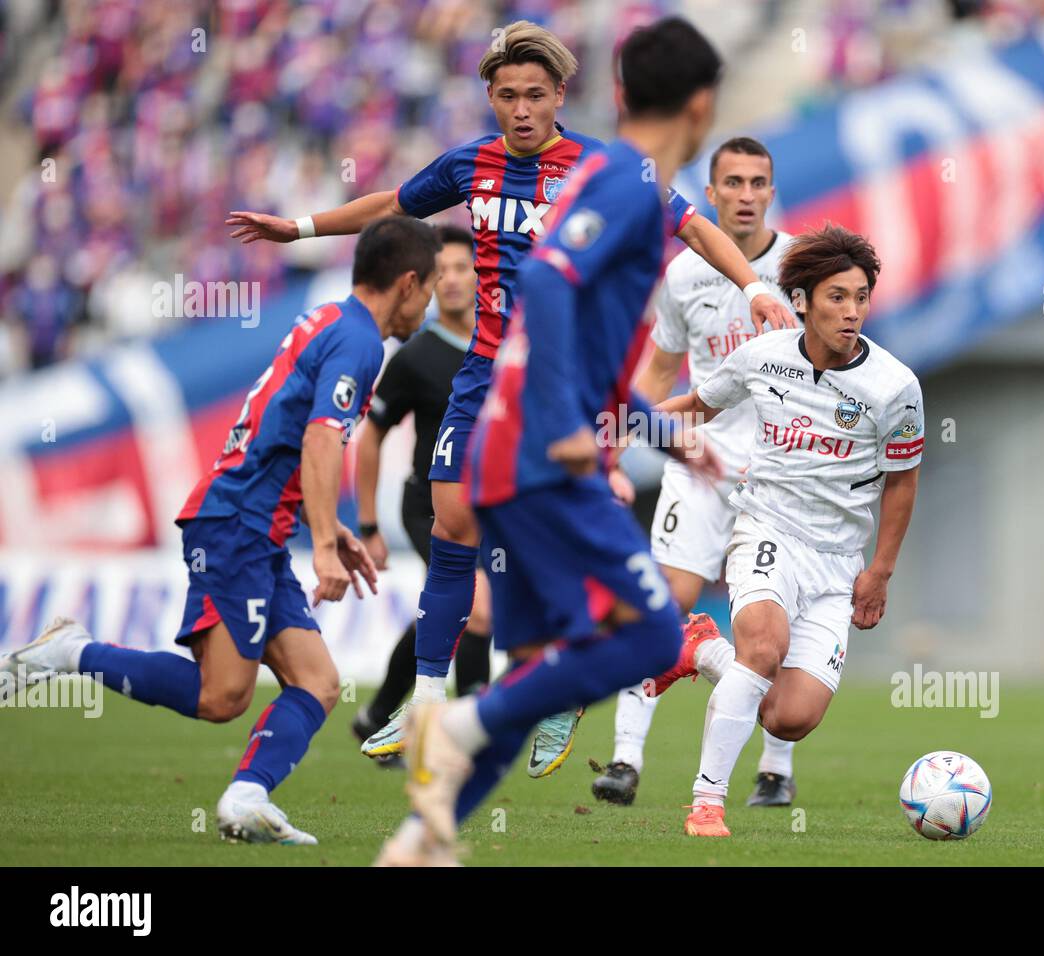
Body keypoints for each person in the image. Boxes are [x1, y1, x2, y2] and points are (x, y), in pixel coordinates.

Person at [226, 20, 794, 776]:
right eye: (505, 96)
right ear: (490, 99)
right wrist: (297, 229)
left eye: (534, 94)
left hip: (560, 377)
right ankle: (429, 701)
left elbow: (691, 227)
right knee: (452, 518)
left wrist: (754, 286)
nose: (520, 109)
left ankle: (560, 684)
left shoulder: (601, 169)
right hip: (484, 372)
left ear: (561, 95)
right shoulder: (473, 165)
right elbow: (395, 203)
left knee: (554, 534)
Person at [376, 16, 733, 867]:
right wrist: (579, 430)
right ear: (703, 103)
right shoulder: (625, 180)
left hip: (517, 445)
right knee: (650, 637)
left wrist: (655, 429)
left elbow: (579, 337)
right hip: (539, 454)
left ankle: (424, 838)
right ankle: (451, 719)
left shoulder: (602, 175)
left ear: (610, 95)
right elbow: (549, 280)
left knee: (537, 667)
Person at [0, 217, 437, 844]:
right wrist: (319, 543)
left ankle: (246, 796)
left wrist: (326, 522)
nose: (427, 307)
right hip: (237, 522)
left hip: (255, 519)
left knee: (318, 681)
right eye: (427, 292)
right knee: (222, 696)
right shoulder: (361, 343)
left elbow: (285, 432)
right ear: (408, 282)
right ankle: (71, 652)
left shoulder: (331, 320)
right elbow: (319, 437)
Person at [646, 224, 924, 837]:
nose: (851, 312)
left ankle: (697, 648)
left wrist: (879, 572)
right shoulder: (761, 356)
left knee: (788, 718)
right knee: (763, 648)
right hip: (767, 527)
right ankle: (707, 802)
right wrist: (609, 425)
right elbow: (697, 405)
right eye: (836, 297)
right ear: (801, 301)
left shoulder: (895, 386)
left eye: (860, 297)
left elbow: (903, 481)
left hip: (838, 561)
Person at [592, 136, 801, 808]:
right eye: (731, 183)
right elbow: (657, 370)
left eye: (756, 182)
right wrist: (617, 446)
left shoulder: (802, 264)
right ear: (709, 195)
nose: (744, 195)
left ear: (772, 190)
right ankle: (625, 758)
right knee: (664, 599)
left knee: (773, 621)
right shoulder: (684, 274)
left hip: (781, 466)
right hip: (701, 456)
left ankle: (775, 765)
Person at [350, 225, 492, 763]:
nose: (454, 280)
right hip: (429, 503)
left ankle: (380, 710)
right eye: (443, 272)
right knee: (476, 608)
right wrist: (368, 524)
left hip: (490, 504)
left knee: (459, 610)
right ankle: (473, 728)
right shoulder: (415, 355)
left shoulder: (503, 346)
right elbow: (371, 437)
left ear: (483, 276)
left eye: (464, 268)